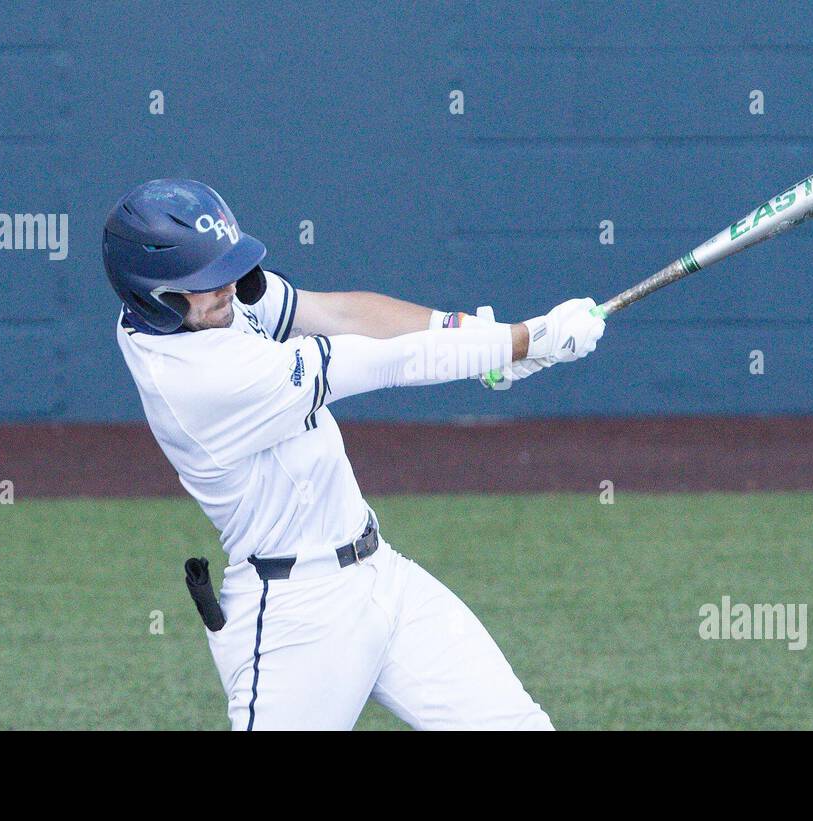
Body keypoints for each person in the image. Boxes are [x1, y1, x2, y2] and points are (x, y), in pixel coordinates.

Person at [103, 179, 605, 730]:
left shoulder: (205, 306)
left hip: (380, 573)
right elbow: (376, 362)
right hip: (295, 618)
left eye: (224, 269)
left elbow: (342, 315)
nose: (224, 287)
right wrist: (522, 340)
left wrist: (477, 334)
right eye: (204, 280)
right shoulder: (198, 382)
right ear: (151, 293)